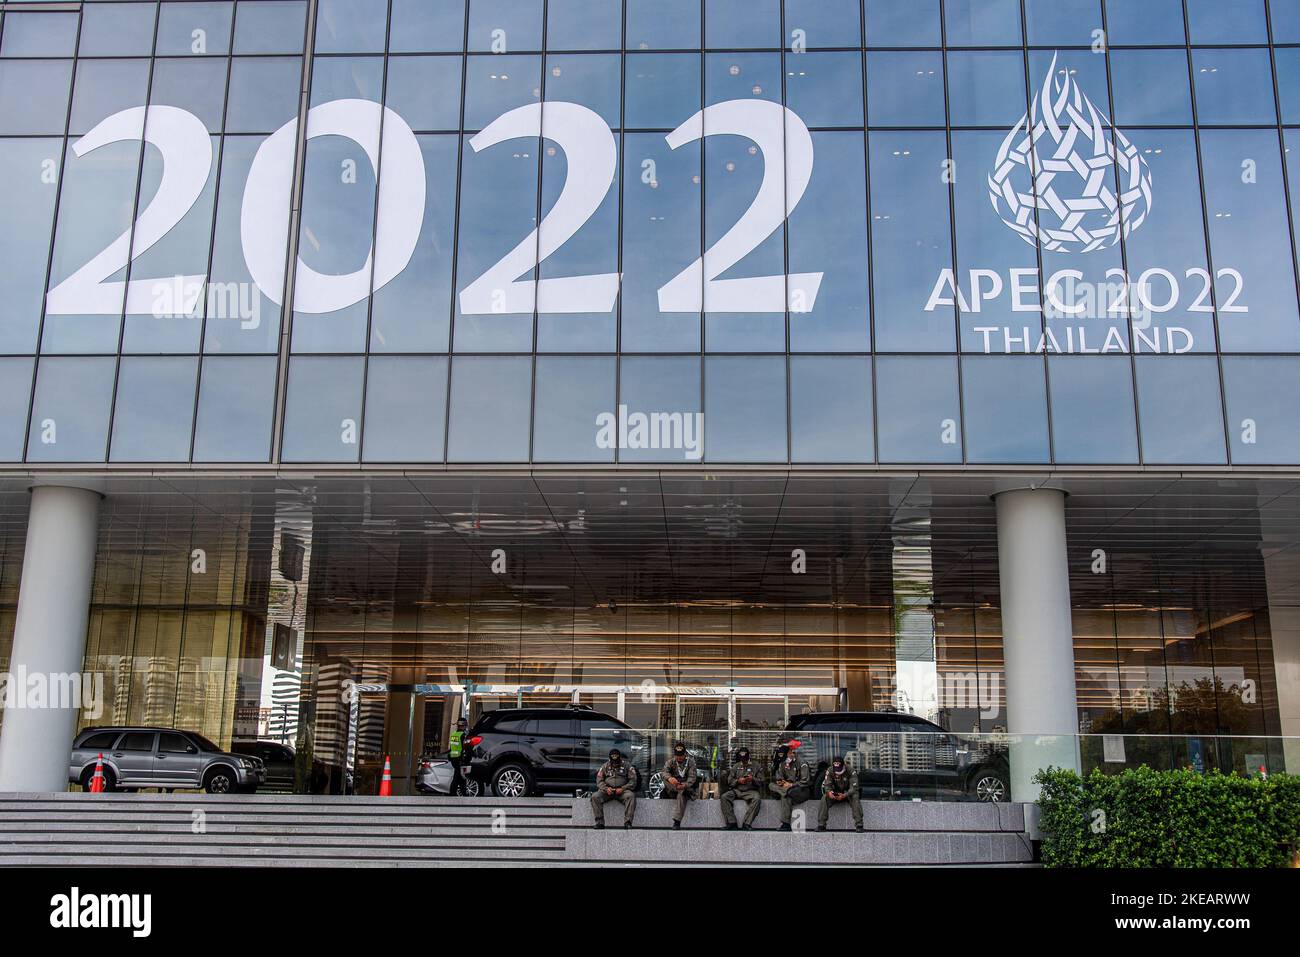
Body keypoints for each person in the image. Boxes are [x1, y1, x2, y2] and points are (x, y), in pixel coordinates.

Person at [591, 748, 638, 829]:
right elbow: (599, 781)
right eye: (613, 756)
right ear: (610, 757)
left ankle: (628, 822)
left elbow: (633, 781)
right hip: (607, 791)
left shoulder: (627, 765)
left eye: (616, 756)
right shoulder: (605, 766)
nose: (614, 758)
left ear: (619, 757)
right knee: (595, 796)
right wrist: (606, 789)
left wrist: (623, 788)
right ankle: (600, 823)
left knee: (631, 796)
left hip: (622, 791)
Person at [769, 743, 811, 831]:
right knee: (771, 785)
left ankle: (785, 824)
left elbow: (805, 781)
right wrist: (780, 781)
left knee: (787, 794)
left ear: (791, 753)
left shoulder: (802, 763)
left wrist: (791, 785)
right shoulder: (783, 763)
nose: (786, 759)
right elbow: (779, 776)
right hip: (786, 788)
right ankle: (784, 792)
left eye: (787, 755)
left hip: (801, 789)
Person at [719, 746, 762, 830]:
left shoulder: (756, 766)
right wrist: (738, 781)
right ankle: (732, 822)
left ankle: (747, 823)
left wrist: (752, 779)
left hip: (750, 791)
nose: (744, 762)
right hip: (737, 790)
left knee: (757, 798)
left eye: (745, 760)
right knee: (724, 797)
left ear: (748, 757)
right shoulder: (736, 766)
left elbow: (761, 781)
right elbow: (729, 781)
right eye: (742, 760)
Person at [818, 755, 864, 832]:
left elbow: (854, 787)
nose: (838, 773)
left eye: (839, 769)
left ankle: (859, 825)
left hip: (848, 793)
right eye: (836, 770)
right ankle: (821, 825)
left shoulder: (851, 770)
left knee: (855, 796)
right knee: (824, 798)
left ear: (843, 766)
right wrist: (829, 792)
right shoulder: (830, 770)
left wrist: (844, 795)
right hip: (835, 793)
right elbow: (827, 785)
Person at [660, 741, 699, 829]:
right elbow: (664, 772)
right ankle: (679, 789)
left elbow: (692, 778)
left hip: (685, 788)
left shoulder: (691, 762)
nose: (679, 757)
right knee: (665, 779)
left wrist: (684, 786)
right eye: (677, 755)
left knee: (682, 794)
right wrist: (670, 778)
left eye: (681, 755)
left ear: (685, 754)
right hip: (673, 788)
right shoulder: (670, 762)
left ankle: (677, 821)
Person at [447, 716, 470, 796]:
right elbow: (465, 748)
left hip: (453, 758)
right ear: (463, 725)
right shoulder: (463, 735)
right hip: (460, 759)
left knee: (461, 777)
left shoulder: (454, 734)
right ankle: (452, 793)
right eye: (465, 725)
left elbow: (451, 748)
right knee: (457, 777)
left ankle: (464, 793)